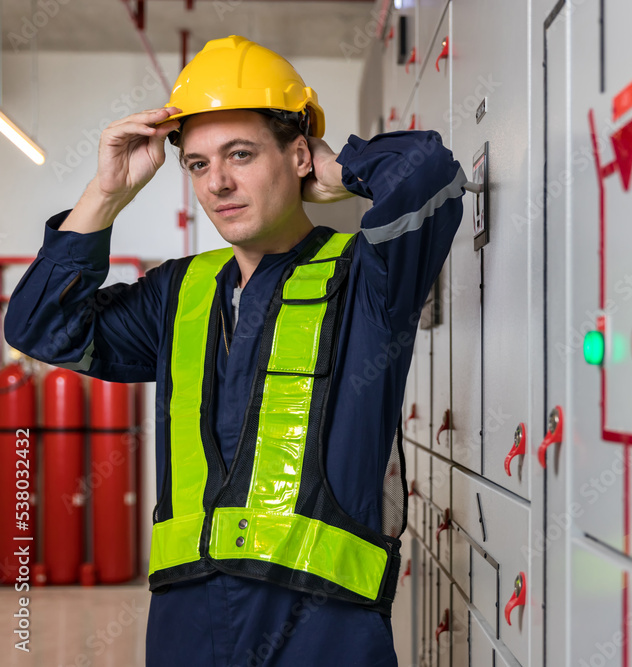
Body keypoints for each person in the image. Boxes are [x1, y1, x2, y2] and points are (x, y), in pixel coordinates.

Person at [3, 35, 466, 666]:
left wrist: (335, 171)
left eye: (240, 154)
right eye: (197, 164)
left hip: (323, 628)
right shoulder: (178, 293)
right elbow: (38, 325)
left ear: (298, 154)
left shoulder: (366, 280)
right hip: (185, 627)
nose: (218, 182)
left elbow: (428, 174)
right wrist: (105, 194)